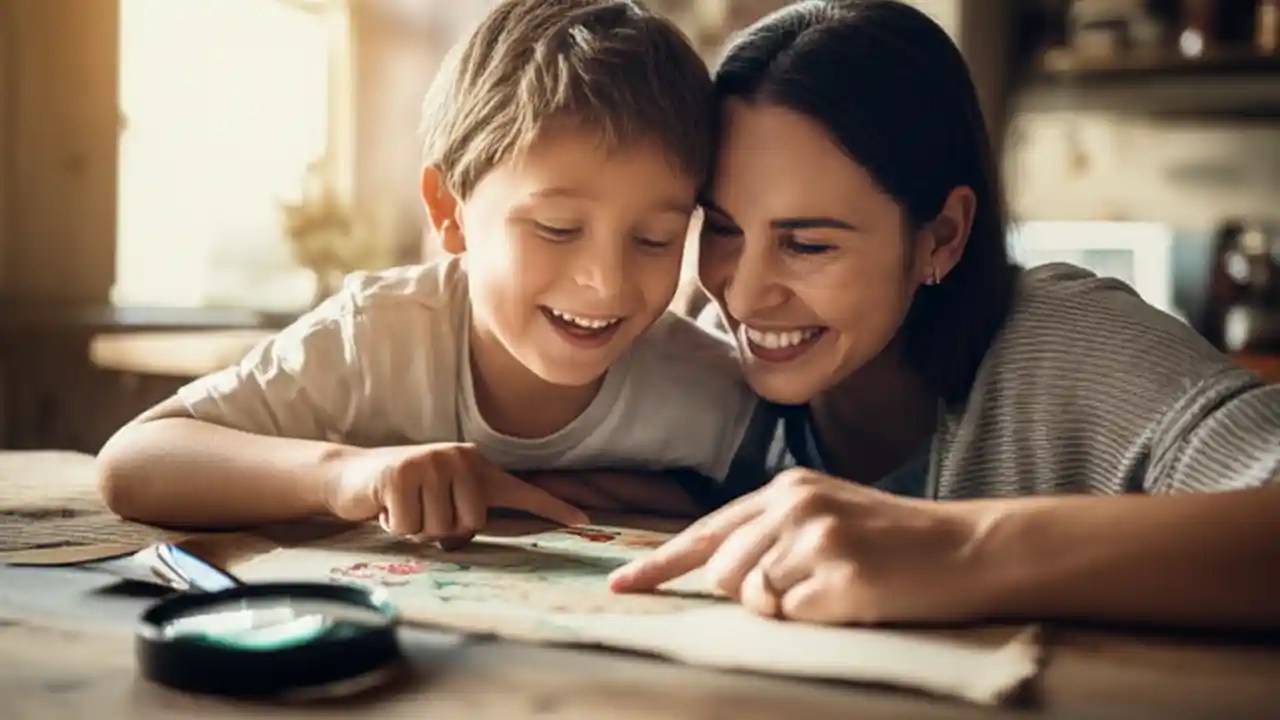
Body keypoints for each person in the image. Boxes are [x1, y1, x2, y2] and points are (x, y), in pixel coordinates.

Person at [610, 0, 1280, 629]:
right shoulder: (702, 371)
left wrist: (957, 550)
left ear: (942, 237)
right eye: (722, 230)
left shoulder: (1070, 347)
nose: (744, 295)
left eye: (808, 244)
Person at [95, 0, 761, 546]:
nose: (607, 282)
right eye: (557, 229)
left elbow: (797, 495)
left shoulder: (709, 392)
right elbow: (136, 461)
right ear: (449, 209)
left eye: (655, 238)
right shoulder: (376, 339)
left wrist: (672, 492)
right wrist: (347, 474)